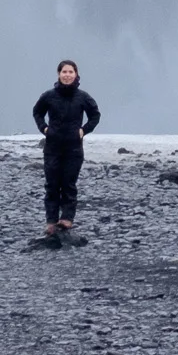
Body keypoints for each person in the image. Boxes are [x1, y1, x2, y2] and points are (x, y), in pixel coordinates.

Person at [31, 59, 100, 234]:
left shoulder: (83, 97)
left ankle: (67, 218)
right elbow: (37, 112)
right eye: (64, 72)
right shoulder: (49, 96)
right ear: (59, 74)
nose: (67, 75)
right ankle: (51, 222)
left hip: (74, 148)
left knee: (69, 183)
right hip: (53, 147)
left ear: (76, 74)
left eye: (70, 72)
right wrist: (44, 128)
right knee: (52, 184)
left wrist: (84, 130)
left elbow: (95, 115)